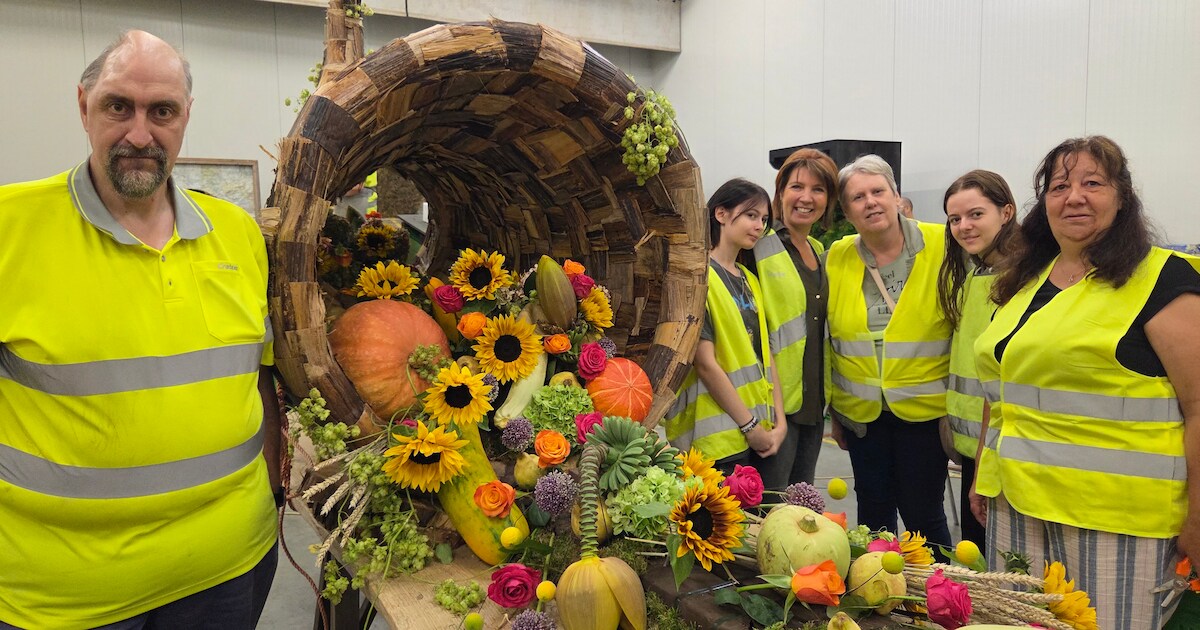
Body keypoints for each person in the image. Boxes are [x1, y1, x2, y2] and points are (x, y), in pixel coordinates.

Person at [0, 31, 282, 629]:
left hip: (230, 571)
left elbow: (260, 381)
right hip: (64, 601)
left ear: (185, 117)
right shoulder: (10, 227)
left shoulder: (239, 235)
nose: (138, 134)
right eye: (117, 106)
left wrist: (276, 497)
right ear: (84, 107)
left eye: (162, 111)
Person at [969, 136, 1200, 629]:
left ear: (1122, 196)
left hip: (1118, 518)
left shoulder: (1161, 280)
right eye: (1058, 187)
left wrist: (1199, 517)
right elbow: (1004, 387)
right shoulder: (1025, 280)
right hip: (1018, 505)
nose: (1074, 197)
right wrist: (983, 478)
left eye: (1092, 183)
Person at [826, 155, 953, 547]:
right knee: (873, 515)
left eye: (878, 191)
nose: (870, 202)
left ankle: (937, 586)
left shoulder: (944, 244)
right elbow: (830, 338)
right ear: (847, 211)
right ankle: (878, 582)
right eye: (858, 197)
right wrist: (835, 410)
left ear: (896, 196)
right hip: (862, 415)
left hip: (924, 412)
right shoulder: (837, 257)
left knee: (923, 515)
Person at [665, 178, 788, 474]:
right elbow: (705, 364)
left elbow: (764, 354)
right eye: (751, 215)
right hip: (717, 440)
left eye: (764, 219)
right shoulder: (699, 278)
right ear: (720, 214)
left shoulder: (749, 279)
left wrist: (780, 422)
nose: (759, 226)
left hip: (761, 429)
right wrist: (749, 426)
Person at [935, 169, 1019, 552]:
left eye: (976, 214)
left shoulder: (1018, 280)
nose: (964, 226)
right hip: (972, 447)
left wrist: (984, 464)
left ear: (1006, 212)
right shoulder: (977, 272)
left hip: (998, 452)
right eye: (955, 219)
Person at [746, 149, 837, 488]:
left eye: (818, 189)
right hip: (771, 407)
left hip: (812, 405)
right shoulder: (757, 245)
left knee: (799, 507)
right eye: (797, 186)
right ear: (780, 191)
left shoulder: (818, 250)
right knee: (769, 507)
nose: (806, 198)